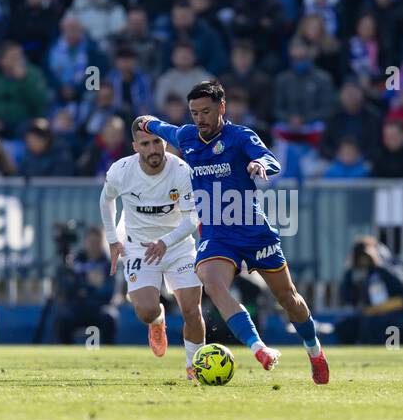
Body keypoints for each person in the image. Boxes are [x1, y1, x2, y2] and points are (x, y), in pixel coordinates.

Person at [134, 79, 330, 383]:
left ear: (221, 108)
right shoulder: (187, 137)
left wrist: (260, 166)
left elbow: (269, 158)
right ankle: (259, 348)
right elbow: (162, 128)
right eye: (194, 112)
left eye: (206, 112)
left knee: (288, 299)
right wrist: (146, 122)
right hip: (216, 235)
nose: (200, 119)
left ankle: (314, 350)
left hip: (254, 233)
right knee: (212, 283)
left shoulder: (239, 137)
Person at [100, 123, 206, 379]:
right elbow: (106, 200)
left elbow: (193, 219)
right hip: (139, 247)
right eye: (145, 144)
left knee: (192, 310)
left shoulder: (181, 170)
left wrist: (165, 243)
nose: (152, 149)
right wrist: (114, 239)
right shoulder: (121, 171)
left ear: (165, 143)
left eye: (157, 142)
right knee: (146, 311)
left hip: (177, 246)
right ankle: (158, 321)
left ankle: (194, 366)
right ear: (135, 147)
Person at [336, 236, 403, 345]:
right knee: (346, 326)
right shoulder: (363, 276)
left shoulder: (393, 266)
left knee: (379, 323)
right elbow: (348, 299)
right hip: (376, 318)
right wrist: (349, 270)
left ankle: (392, 351)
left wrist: (378, 264)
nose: (364, 261)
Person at [54, 227, 118, 345]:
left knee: (109, 317)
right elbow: (65, 287)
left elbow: (108, 292)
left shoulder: (108, 264)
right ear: (85, 243)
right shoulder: (73, 262)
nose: (94, 246)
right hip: (77, 307)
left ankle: (109, 352)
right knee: (63, 317)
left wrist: (86, 290)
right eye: (91, 242)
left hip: (99, 308)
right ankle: (67, 352)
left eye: (97, 242)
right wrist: (90, 285)